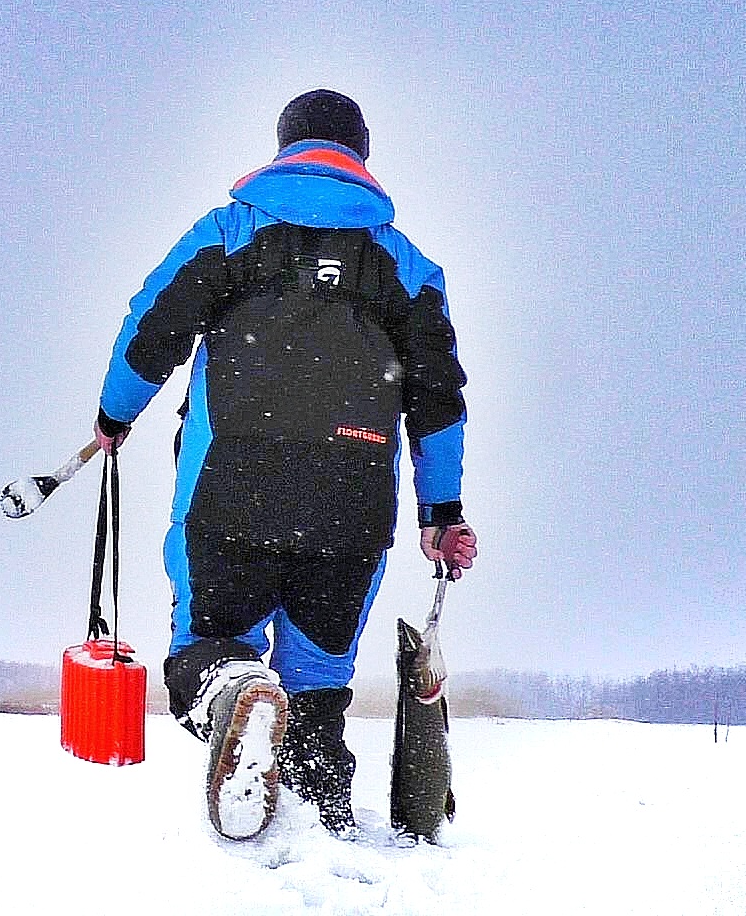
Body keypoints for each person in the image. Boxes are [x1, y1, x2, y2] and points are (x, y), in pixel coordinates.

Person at [93, 89, 476, 839]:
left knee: (209, 647)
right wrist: (442, 511)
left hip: (230, 484)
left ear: (283, 147)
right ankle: (322, 831)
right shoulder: (408, 267)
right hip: (352, 502)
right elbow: (439, 398)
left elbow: (152, 324)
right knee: (319, 682)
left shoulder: (231, 232)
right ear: (361, 155)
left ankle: (234, 690)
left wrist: (115, 414)